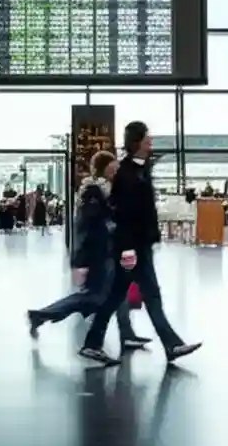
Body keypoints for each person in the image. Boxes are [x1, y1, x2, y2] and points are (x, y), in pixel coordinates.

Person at [80, 121, 201, 367]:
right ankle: (171, 345)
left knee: (117, 296)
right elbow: (124, 213)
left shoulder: (139, 170)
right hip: (131, 247)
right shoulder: (127, 174)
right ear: (137, 142)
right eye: (147, 139)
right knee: (149, 294)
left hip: (137, 245)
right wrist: (127, 248)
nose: (150, 142)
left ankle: (93, 344)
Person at [27, 151, 148, 351]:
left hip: (110, 250)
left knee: (120, 292)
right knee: (93, 297)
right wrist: (81, 260)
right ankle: (42, 314)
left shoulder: (107, 190)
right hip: (99, 254)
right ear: (104, 167)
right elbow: (89, 226)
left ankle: (127, 334)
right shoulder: (94, 191)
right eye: (113, 166)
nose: (116, 170)